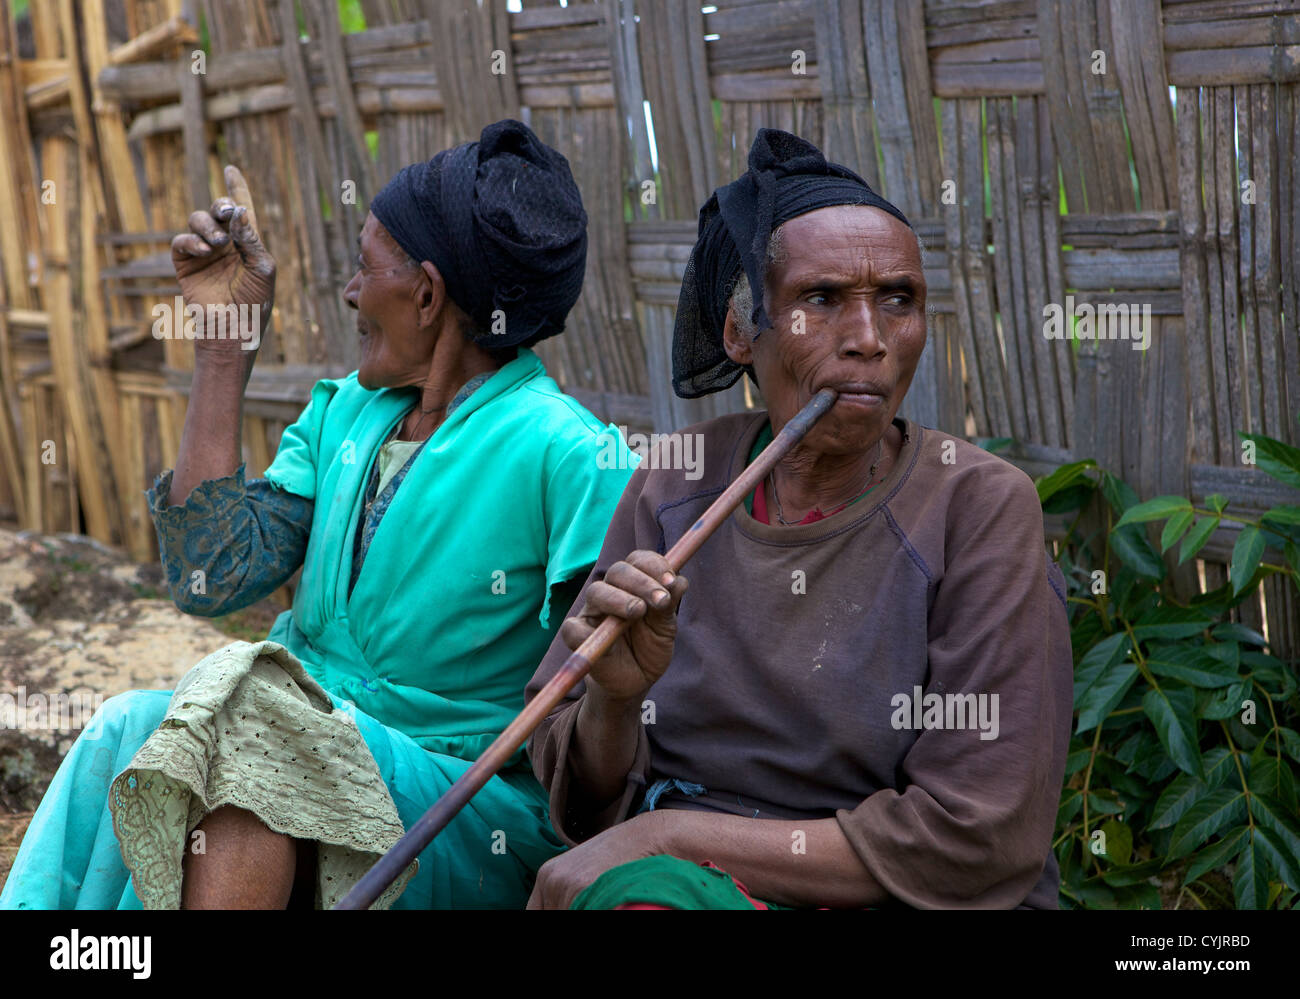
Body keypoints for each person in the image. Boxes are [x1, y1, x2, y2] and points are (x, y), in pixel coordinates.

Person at [1, 118, 636, 910]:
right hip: (294, 742)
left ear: (429, 295)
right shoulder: (352, 414)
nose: (348, 293)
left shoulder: (567, 452)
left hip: (455, 808)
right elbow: (209, 575)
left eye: (363, 269)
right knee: (124, 728)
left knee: (262, 734)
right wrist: (223, 346)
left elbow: (603, 707)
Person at [523, 128, 1073, 910]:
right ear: (742, 332)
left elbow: (975, 838)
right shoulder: (675, 483)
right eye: (821, 300)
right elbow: (580, 798)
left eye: (899, 300)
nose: (869, 340)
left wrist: (669, 835)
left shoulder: (978, 506)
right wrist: (616, 697)